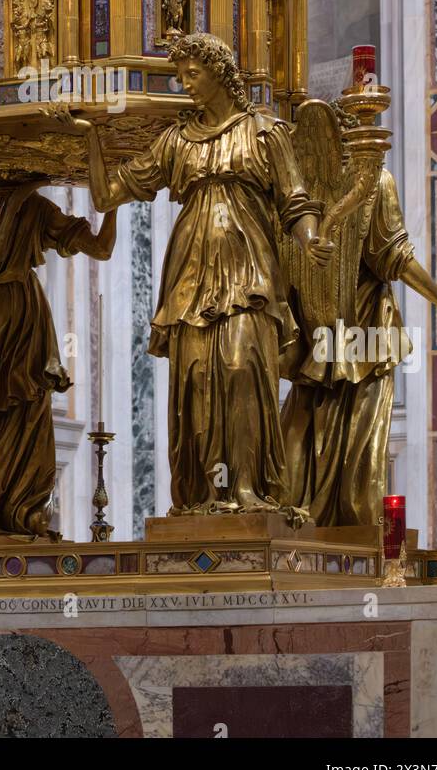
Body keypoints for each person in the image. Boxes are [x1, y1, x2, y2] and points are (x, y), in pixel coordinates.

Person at [57, 33, 332, 516]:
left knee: (242, 368)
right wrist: (90, 139)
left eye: (192, 74)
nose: (185, 84)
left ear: (220, 72)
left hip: (249, 271)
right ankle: (202, 496)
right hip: (189, 273)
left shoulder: (265, 133)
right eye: (180, 76)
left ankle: (249, 490)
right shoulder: (176, 141)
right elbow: (106, 197)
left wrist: (311, 239)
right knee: (196, 377)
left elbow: (296, 201)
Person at [280, 101, 437, 526]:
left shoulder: (353, 189)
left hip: (362, 337)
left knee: (355, 451)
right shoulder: (335, 190)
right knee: (304, 451)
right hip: (331, 338)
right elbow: (395, 258)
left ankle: (350, 538)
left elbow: (394, 256)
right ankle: (313, 531)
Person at [0, 178, 117, 536]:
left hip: (17, 322)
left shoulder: (31, 205)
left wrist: (113, 201)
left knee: (23, 412)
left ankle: (19, 511)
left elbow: (101, 248)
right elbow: (101, 247)